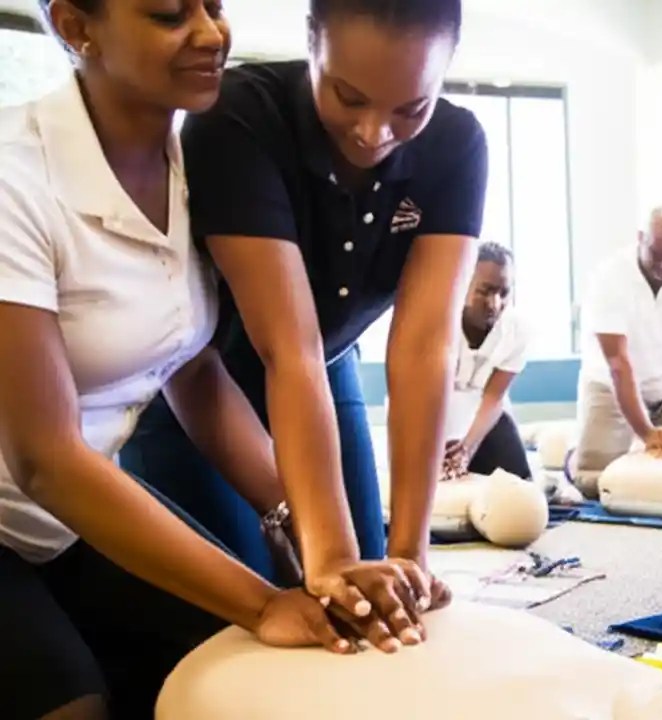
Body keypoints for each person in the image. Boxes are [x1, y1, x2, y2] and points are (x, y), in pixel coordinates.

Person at [0, 3, 431, 719]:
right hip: (25, 499)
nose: (210, 33)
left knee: (247, 674)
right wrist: (263, 602)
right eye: (170, 14)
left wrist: (300, 526)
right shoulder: (14, 176)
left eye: (215, 5)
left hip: (65, 524)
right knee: (77, 704)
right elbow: (43, 457)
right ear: (77, 25)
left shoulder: (194, 163)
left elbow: (193, 371)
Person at [120, 0, 484, 589]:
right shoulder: (239, 115)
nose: (374, 133)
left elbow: (423, 347)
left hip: (328, 366)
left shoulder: (456, 143)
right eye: (349, 98)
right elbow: (287, 348)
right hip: (199, 380)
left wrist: (412, 554)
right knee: (248, 593)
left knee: (375, 577)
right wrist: (320, 543)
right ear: (312, 46)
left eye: (410, 108)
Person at [570, 205, 662, 494]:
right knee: (592, 481)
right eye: (659, 256)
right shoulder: (609, 277)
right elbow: (618, 363)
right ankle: (573, 455)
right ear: (641, 239)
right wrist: (647, 434)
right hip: (609, 383)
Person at [440, 241, 533, 481]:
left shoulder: (517, 330)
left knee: (519, 487)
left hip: (483, 417)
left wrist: (466, 449)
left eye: (504, 293)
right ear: (463, 284)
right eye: (485, 291)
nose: (495, 304)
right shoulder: (438, 322)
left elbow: (493, 398)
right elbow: (418, 396)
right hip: (432, 412)